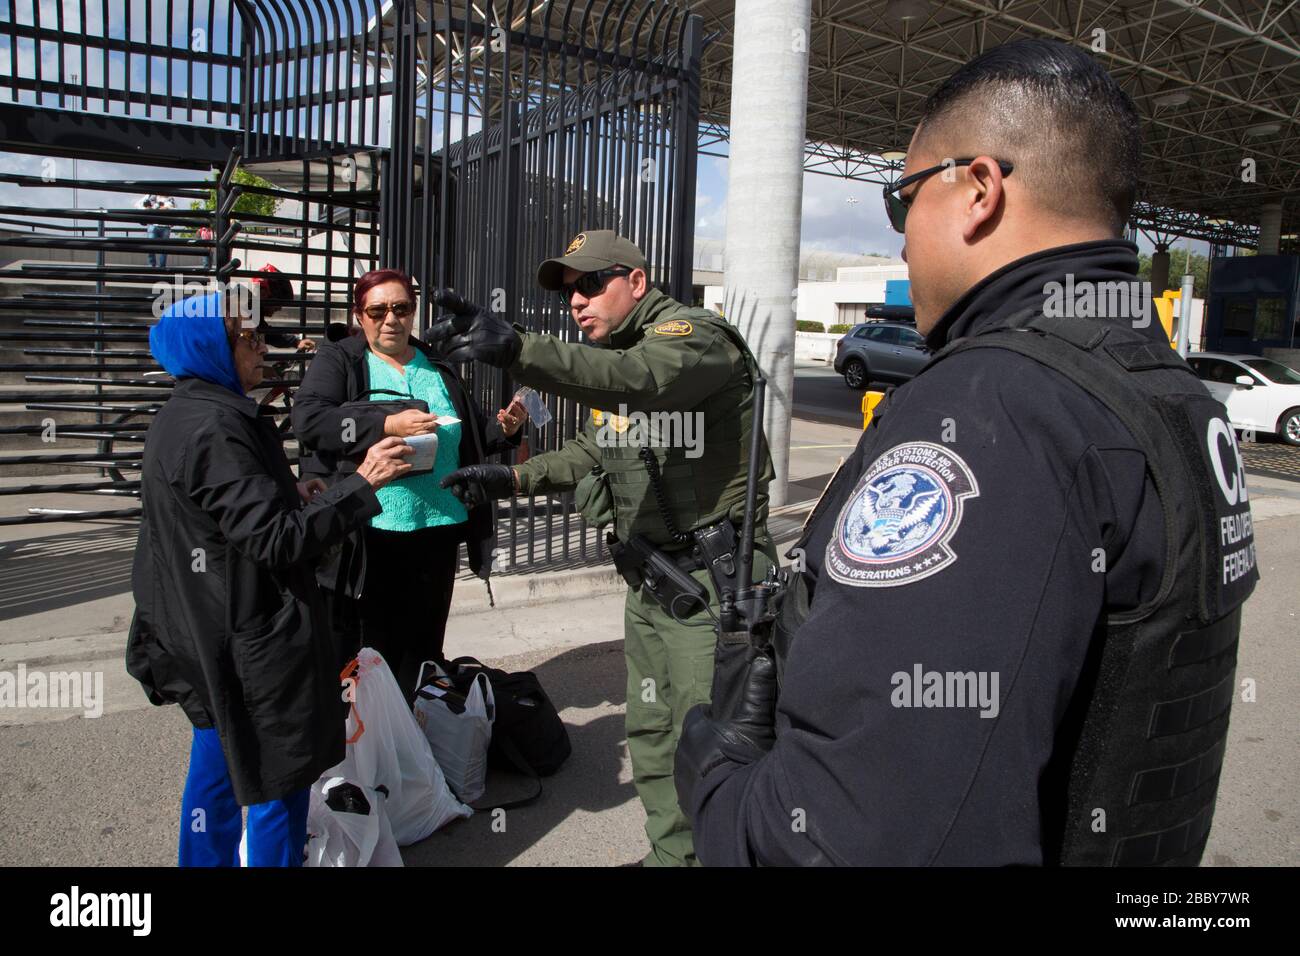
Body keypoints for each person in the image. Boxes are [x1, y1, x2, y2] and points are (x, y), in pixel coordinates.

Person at [672, 39, 1260, 867]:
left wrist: (721, 788)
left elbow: (864, 841)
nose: (903, 240)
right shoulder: (1172, 392)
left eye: (901, 198)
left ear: (978, 189)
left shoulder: (995, 410)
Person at [426, 231, 775, 867]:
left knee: (714, 747)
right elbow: (595, 449)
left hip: (712, 590)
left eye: (591, 284)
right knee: (651, 733)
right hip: (654, 580)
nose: (577, 301)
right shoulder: (616, 357)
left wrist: (520, 350)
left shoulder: (693, 340)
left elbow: (640, 381)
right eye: (568, 292)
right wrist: (511, 478)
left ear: (636, 282)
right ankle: (673, 858)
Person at [127, 287, 413, 867]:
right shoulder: (216, 428)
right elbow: (277, 541)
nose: (263, 348)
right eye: (248, 338)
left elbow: (226, 517)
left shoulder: (191, 411)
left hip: (199, 629)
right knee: (281, 781)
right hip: (245, 636)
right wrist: (365, 482)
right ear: (211, 348)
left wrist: (294, 492)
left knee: (217, 771)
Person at [290, 268, 523, 697]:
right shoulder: (342, 358)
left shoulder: (435, 363)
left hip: (438, 526)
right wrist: (386, 423)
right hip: (371, 531)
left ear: (413, 312)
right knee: (369, 653)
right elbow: (309, 420)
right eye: (377, 310)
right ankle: (370, 744)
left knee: (424, 648)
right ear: (360, 315)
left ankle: (419, 730)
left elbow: (464, 434)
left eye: (401, 308)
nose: (390, 319)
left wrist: (503, 429)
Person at [137, 193, 175, 268]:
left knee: (164, 248)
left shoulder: (170, 198)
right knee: (150, 246)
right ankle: (152, 265)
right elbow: (138, 205)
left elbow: (172, 208)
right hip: (153, 225)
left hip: (165, 226)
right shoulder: (151, 196)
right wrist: (147, 208)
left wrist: (157, 208)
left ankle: (162, 266)